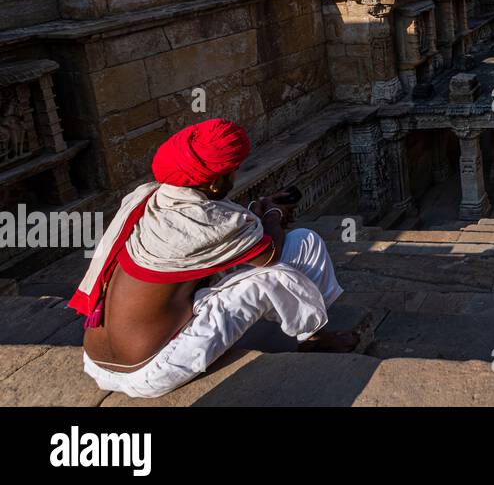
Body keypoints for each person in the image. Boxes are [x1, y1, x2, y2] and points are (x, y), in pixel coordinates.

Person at [71, 119, 357, 398]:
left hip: (96, 362)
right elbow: (269, 256)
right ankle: (315, 337)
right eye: (232, 171)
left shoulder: (151, 199)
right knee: (277, 273)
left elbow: (212, 239)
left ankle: (307, 323)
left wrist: (260, 219)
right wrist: (272, 216)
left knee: (278, 255)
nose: (235, 175)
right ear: (216, 184)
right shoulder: (207, 220)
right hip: (150, 371)